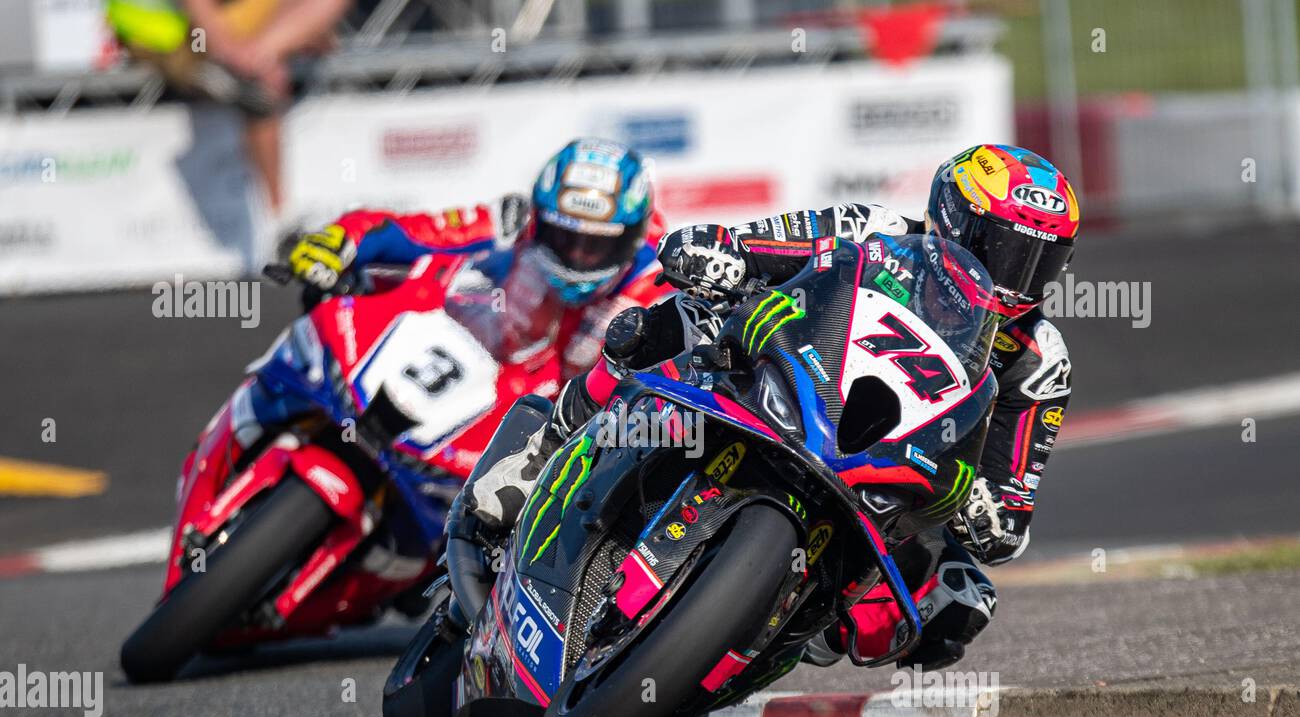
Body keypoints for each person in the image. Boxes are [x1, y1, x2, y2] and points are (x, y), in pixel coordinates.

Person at [462, 144, 1080, 671]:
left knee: (961, 598)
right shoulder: (874, 230)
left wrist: (984, 507)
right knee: (672, 320)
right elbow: (762, 244)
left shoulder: (1039, 361)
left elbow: (1011, 512)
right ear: (951, 218)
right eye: (999, 248)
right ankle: (550, 442)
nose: (1013, 276)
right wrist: (718, 253)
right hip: (785, 385)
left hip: (886, 481)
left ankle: (779, 624)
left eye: (1037, 260)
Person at [282, 137, 667, 380]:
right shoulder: (515, 224)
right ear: (540, 219)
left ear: (630, 238)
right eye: (564, 237)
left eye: (596, 244)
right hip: (468, 390)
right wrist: (340, 240)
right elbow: (409, 233)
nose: (579, 256)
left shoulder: (661, 283)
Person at [106, 0, 352, 213]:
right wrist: (238, 54)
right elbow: (202, 18)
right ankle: (279, 216)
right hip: (162, 30)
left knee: (256, 82)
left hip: (216, 30)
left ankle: (280, 217)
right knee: (255, 90)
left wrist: (263, 51)